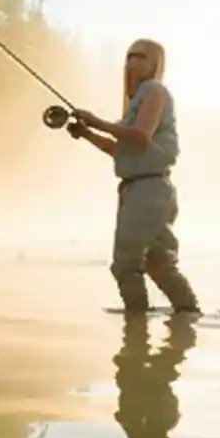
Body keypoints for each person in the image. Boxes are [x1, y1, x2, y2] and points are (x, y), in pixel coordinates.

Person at [68, 38, 201, 314]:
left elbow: (140, 138)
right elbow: (121, 150)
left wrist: (96, 121)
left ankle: (136, 323)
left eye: (141, 57)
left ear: (155, 64)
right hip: (147, 190)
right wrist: (87, 134)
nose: (133, 62)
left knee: (125, 265)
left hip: (147, 191)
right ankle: (188, 315)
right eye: (130, 56)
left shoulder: (154, 90)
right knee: (159, 263)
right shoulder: (139, 99)